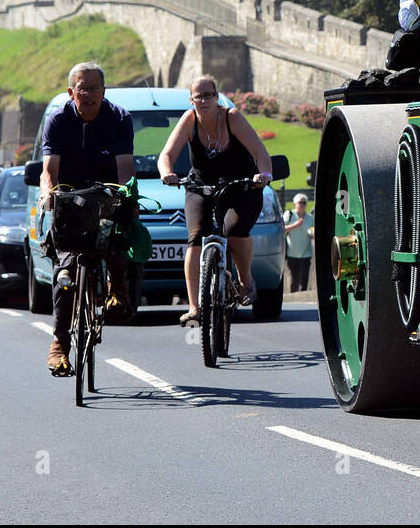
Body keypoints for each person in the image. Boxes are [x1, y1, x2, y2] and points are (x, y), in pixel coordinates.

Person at [39, 62, 136, 376]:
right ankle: (59, 345)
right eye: (84, 88)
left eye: (96, 88)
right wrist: (47, 194)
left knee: (121, 231)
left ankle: (117, 283)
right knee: (64, 274)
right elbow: (48, 171)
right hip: (69, 202)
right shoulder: (57, 120)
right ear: (72, 92)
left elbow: (125, 167)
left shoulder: (120, 119)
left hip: (106, 196)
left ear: (104, 91)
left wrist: (126, 197)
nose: (90, 94)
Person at [157, 75, 273, 325]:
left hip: (241, 187)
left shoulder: (232, 118)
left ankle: (245, 281)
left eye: (208, 94)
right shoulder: (189, 120)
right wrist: (167, 173)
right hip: (201, 186)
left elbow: (261, 153)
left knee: (234, 229)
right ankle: (195, 307)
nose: (204, 100)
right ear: (191, 100)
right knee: (195, 238)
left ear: (217, 96)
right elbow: (166, 154)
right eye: (198, 96)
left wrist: (263, 175)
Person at [283, 193, 313, 291]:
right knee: (293, 280)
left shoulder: (310, 218)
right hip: (292, 253)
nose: (302, 204)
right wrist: (295, 225)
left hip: (306, 253)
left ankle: (303, 297)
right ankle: (293, 299)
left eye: (304, 203)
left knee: (304, 281)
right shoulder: (289, 215)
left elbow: (313, 232)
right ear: (295, 204)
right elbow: (282, 229)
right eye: (300, 202)